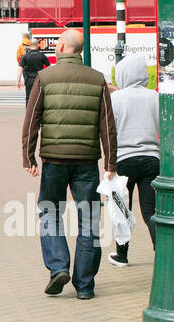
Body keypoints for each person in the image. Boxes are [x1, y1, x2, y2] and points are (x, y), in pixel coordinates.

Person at [21, 29, 117, 300]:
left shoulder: (45, 78)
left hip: (53, 159)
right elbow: (107, 126)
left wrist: (29, 158)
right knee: (89, 220)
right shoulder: (97, 80)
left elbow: (31, 121)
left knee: (50, 212)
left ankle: (58, 267)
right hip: (87, 161)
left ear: (61, 45)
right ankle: (85, 285)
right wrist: (111, 162)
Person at [106, 53, 159, 267]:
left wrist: (109, 163)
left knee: (121, 208)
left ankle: (122, 254)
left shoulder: (116, 98)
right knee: (151, 210)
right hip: (152, 159)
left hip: (123, 161)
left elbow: (110, 132)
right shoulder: (155, 96)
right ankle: (162, 251)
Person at [19, 37, 50, 101]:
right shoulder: (42, 56)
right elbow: (49, 67)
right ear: (37, 45)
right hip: (39, 79)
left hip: (28, 79)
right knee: (39, 97)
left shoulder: (25, 56)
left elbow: (20, 68)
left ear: (30, 45)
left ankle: (28, 110)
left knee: (29, 97)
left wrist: (18, 80)